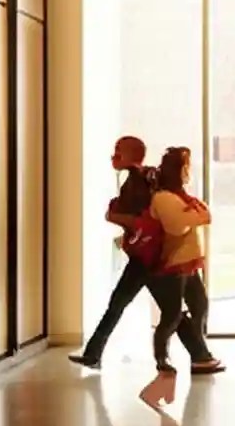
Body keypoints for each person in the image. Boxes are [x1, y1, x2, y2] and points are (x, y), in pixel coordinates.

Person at [69, 137, 222, 374]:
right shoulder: (149, 178)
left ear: (132, 156)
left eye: (118, 152)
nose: (113, 156)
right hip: (151, 254)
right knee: (159, 309)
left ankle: (195, 356)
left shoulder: (137, 182)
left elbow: (144, 218)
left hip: (148, 257)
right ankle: (198, 356)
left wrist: (113, 216)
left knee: (152, 309)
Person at [149, 147, 221, 374]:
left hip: (188, 263)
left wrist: (193, 215)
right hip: (171, 264)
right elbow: (178, 226)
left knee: (199, 307)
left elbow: (204, 215)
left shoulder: (182, 197)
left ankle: (199, 356)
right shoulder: (164, 198)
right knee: (171, 316)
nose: (190, 170)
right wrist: (193, 216)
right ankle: (162, 358)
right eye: (187, 165)